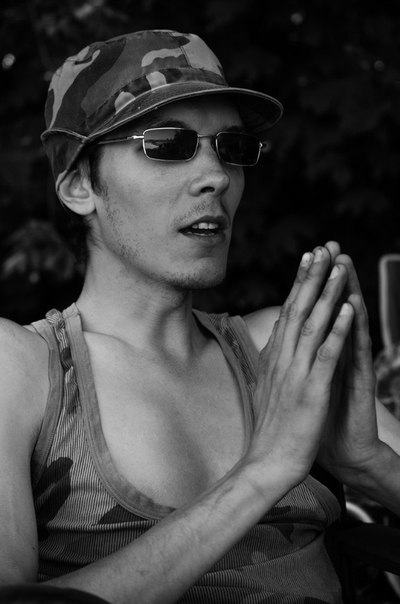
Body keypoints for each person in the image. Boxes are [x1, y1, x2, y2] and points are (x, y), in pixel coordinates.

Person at [0, 29, 399, 604]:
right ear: (80, 185)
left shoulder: (277, 348)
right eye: (167, 144)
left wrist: (369, 464)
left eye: (231, 147)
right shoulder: (24, 370)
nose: (216, 175)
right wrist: (263, 471)